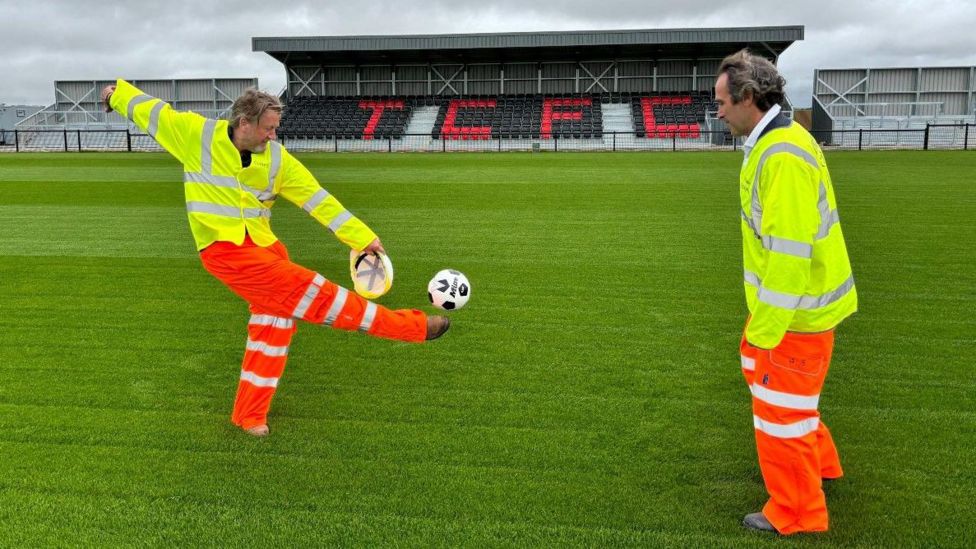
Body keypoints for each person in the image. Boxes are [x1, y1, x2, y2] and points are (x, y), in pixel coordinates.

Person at [100, 81, 450, 438]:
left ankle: (249, 416)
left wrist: (363, 238)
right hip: (224, 252)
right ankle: (411, 328)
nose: (274, 135)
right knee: (315, 292)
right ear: (244, 123)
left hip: (267, 250)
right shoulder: (195, 134)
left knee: (274, 327)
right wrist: (116, 96)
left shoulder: (279, 159)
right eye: (268, 128)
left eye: (275, 127)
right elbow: (152, 112)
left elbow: (317, 199)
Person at [714, 50, 858, 535]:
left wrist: (765, 331)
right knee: (795, 405)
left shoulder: (781, 156)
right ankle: (822, 466)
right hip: (799, 310)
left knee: (781, 415)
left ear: (747, 97)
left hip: (794, 317)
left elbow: (789, 255)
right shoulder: (782, 140)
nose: (717, 112)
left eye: (721, 102)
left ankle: (797, 512)